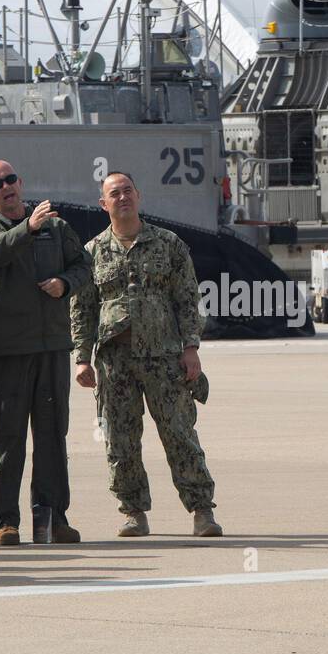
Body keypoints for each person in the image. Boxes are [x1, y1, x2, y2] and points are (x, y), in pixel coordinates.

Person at [71, 171, 222, 538]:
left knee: (180, 434)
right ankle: (133, 512)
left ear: (138, 196)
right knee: (120, 439)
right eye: (114, 194)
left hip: (165, 357)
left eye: (127, 191)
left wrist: (191, 349)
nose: (122, 198)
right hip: (114, 361)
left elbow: (187, 299)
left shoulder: (168, 244)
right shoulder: (91, 253)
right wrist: (81, 357)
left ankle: (202, 511)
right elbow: (83, 309)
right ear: (102, 204)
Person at [0, 160, 91, 545]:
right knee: (7, 437)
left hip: (51, 346)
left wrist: (65, 283)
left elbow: (84, 265)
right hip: (7, 351)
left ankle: (51, 519)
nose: (5, 187)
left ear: (20, 182)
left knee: (53, 435)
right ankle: (5, 520)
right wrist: (29, 227)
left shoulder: (55, 226)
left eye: (9, 179)